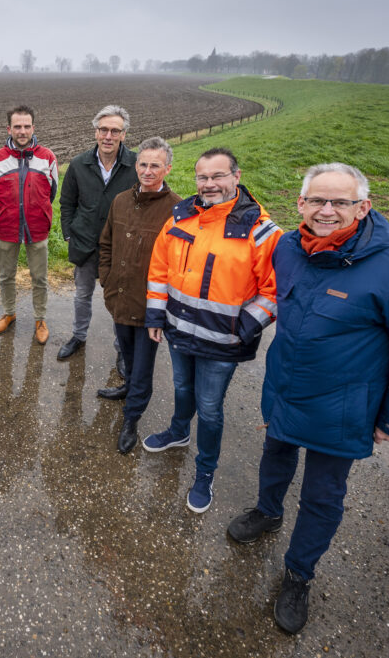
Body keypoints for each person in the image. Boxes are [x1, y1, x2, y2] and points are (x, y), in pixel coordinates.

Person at [226, 163, 389, 634]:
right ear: (301, 204)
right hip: (285, 389)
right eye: (317, 201)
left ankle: (298, 574)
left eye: (340, 202)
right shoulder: (288, 247)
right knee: (275, 457)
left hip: (343, 408)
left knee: (322, 496)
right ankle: (267, 512)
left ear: (363, 207)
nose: (327, 211)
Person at [144, 147, 281, 513]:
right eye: (202, 177)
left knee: (209, 408)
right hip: (177, 332)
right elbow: (159, 270)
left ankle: (205, 471)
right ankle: (177, 431)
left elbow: (275, 290)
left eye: (218, 176)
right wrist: (156, 317)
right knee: (181, 387)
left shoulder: (261, 230)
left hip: (222, 341)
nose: (209, 184)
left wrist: (242, 328)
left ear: (236, 177)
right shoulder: (180, 218)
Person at [97, 138, 181, 453]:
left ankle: (132, 417)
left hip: (151, 305)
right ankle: (127, 388)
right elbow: (105, 243)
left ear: (167, 168)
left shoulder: (177, 208)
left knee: (144, 364)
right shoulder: (120, 200)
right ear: (136, 165)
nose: (147, 171)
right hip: (119, 295)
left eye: (155, 165)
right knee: (127, 354)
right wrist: (106, 279)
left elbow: (179, 261)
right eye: (143, 164)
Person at [58, 105, 138, 375]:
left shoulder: (135, 166)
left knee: (120, 299)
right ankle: (78, 337)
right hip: (84, 243)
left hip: (119, 248)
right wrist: (68, 232)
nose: (108, 135)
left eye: (115, 131)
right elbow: (67, 202)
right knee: (82, 295)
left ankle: (122, 350)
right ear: (96, 132)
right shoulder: (79, 164)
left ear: (123, 135)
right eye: (103, 129)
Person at [0, 105, 58, 345]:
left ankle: (40, 318)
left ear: (33, 127)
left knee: (40, 277)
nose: (22, 131)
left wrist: (37, 212)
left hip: (37, 228)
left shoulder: (47, 157)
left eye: (27, 126)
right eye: (17, 126)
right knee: (6, 276)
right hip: (6, 229)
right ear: (9, 128)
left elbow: (52, 191)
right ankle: (9, 312)